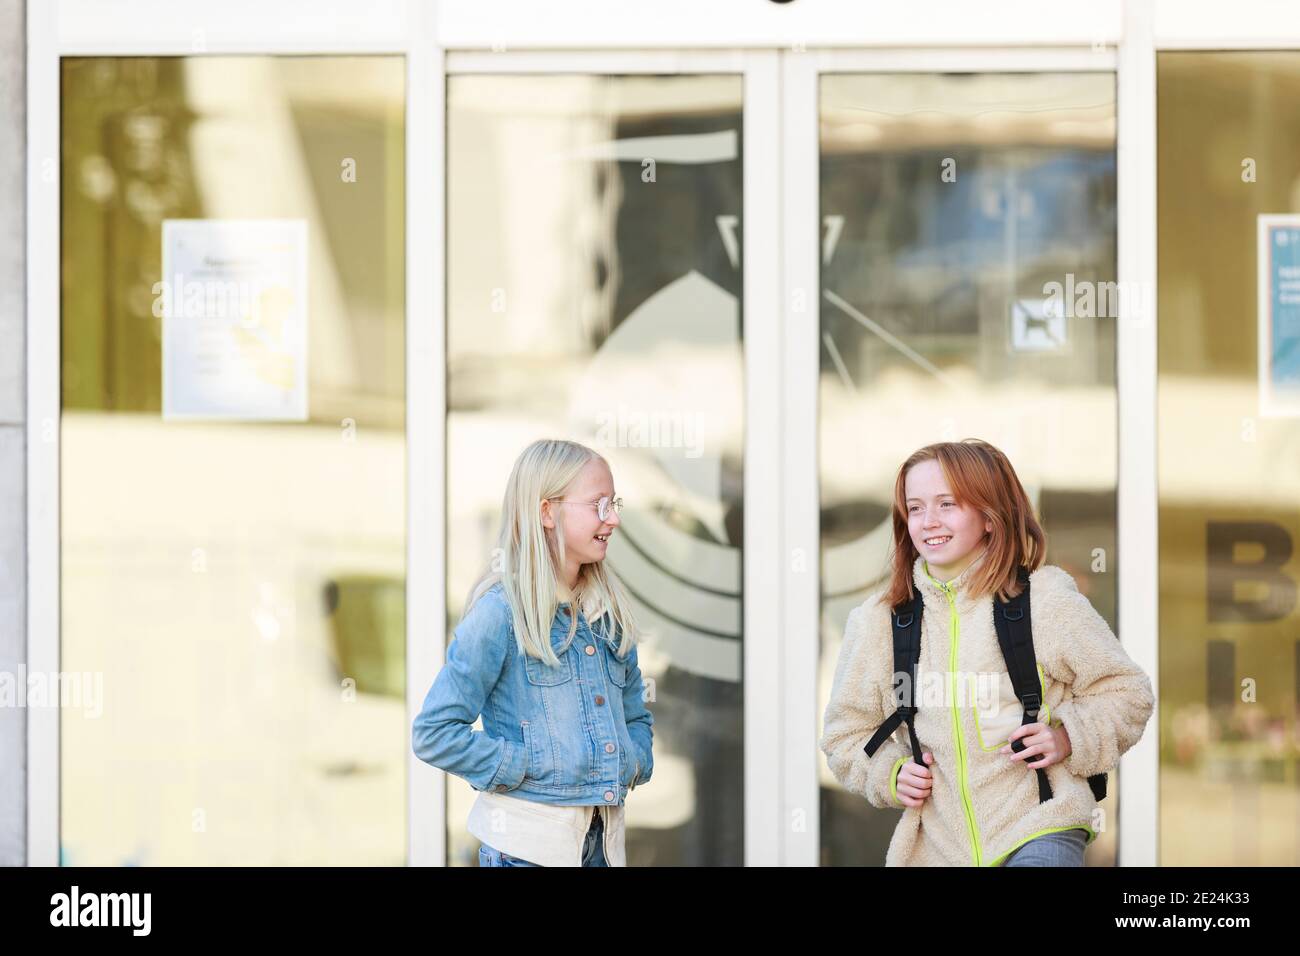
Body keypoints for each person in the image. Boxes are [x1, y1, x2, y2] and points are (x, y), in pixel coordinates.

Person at [820, 439, 1154, 866]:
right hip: (938, 849)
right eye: (916, 507)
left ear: (989, 516)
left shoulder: (1044, 601)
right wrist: (889, 774)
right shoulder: (879, 621)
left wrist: (1068, 736)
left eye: (947, 504)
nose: (928, 521)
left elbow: (1128, 692)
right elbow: (844, 734)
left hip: (1041, 827)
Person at [412, 438, 653, 866]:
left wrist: (634, 759)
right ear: (547, 512)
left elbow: (635, 713)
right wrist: (522, 764)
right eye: (598, 504)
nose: (613, 519)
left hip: (604, 850)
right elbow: (434, 732)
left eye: (614, 503)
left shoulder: (608, 612)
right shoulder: (499, 615)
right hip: (525, 853)